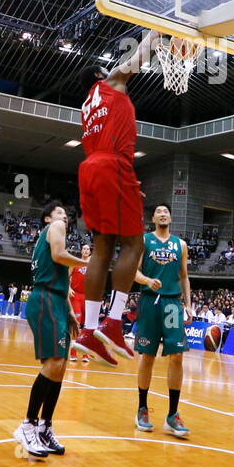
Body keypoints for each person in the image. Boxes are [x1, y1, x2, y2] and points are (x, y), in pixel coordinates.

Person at [71, 30, 159, 367]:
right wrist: (156, 32)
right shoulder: (112, 81)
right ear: (98, 75)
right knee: (135, 245)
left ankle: (90, 329)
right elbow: (142, 56)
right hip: (113, 164)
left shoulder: (86, 105)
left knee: (102, 248)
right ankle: (114, 320)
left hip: (89, 170)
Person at [14, 202, 89, 460]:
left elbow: (60, 276)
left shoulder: (50, 238)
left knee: (59, 369)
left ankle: (45, 427)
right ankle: (28, 425)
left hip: (56, 300)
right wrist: (88, 262)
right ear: (47, 218)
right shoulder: (54, 229)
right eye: (59, 213)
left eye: (66, 215)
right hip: (45, 298)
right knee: (54, 362)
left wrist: (68, 311)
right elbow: (59, 255)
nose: (64, 218)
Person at [133, 205, 192, 438]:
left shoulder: (181, 245)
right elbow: (132, 271)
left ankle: (172, 415)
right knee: (147, 356)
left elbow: (184, 276)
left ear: (170, 217)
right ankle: (142, 409)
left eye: (166, 211)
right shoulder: (144, 240)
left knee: (177, 355)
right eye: (159, 211)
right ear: (153, 218)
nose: (163, 214)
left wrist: (188, 304)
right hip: (149, 301)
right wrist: (147, 280)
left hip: (171, 304)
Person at [68, 245, 91, 364]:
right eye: (84, 249)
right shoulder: (75, 263)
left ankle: (85, 353)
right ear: (81, 251)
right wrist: (68, 287)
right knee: (76, 324)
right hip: (76, 295)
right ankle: (73, 352)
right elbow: (66, 277)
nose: (86, 251)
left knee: (87, 326)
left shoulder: (92, 265)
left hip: (87, 297)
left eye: (88, 249)